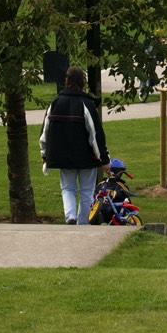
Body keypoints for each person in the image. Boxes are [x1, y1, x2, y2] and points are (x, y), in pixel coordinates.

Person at [39, 65, 110, 225]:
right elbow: (96, 135)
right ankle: (82, 224)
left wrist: (45, 154)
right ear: (82, 82)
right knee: (87, 191)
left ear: (67, 81)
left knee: (68, 188)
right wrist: (104, 159)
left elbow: (45, 133)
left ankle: (70, 215)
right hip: (86, 158)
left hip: (64, 156)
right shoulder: (87, 104)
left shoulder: (56, 103)